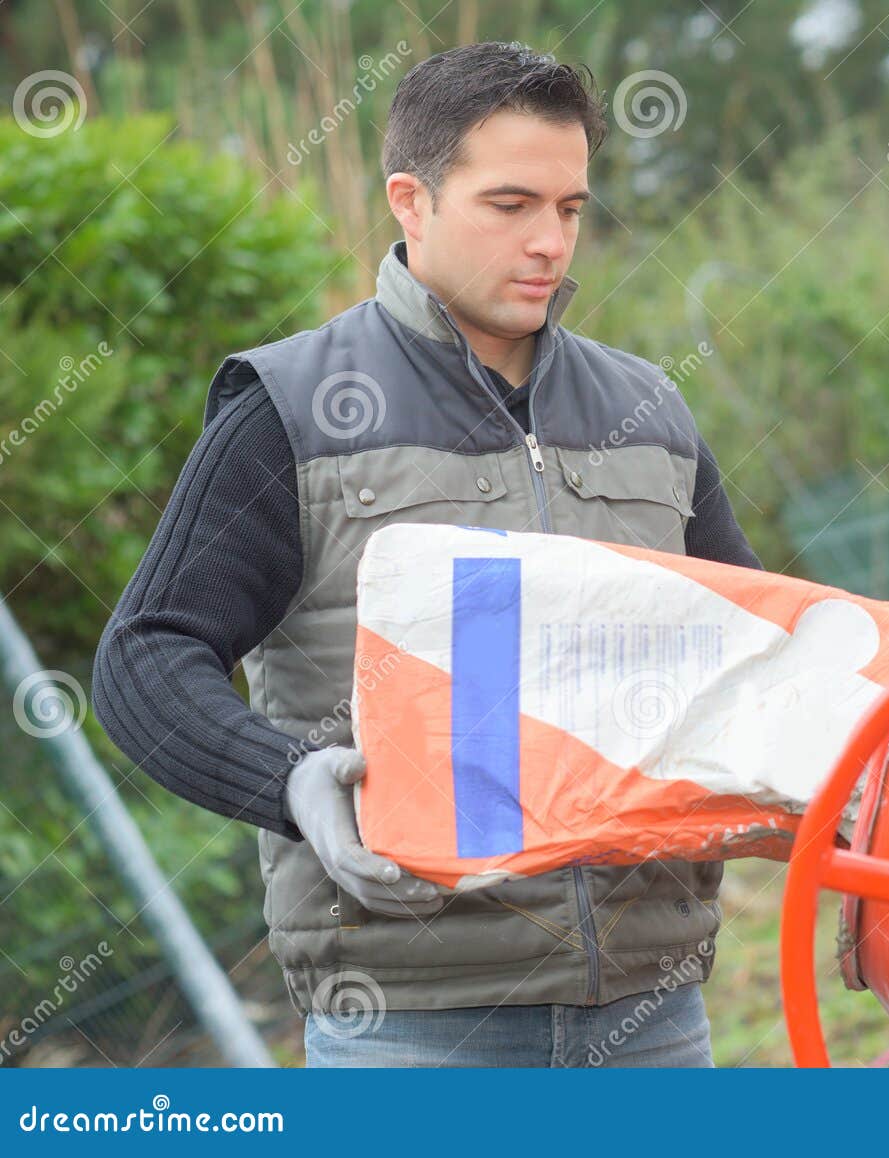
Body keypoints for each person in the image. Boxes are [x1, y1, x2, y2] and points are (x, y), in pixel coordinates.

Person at [91, 42, 761, 1068]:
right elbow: (145, 655)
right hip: (408, 1032)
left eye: (570, 208)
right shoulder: (289, 409)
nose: (549, 242)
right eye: (510, 205)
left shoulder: (649, 410)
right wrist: (293, 779)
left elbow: (753, 652)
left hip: (653, 1018)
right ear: (411, 200)